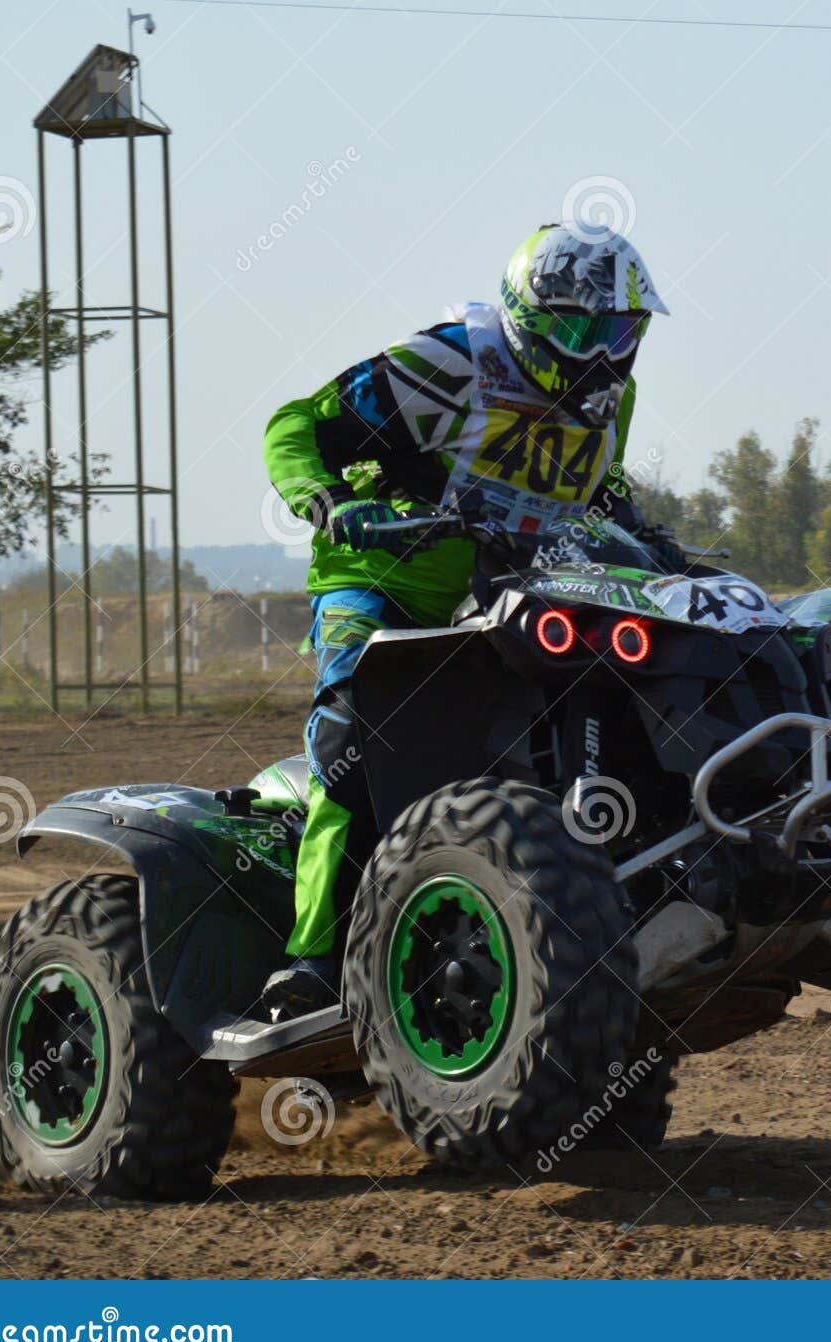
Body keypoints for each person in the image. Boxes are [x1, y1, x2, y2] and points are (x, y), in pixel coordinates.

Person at [259, 222, 673, 1016]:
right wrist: (331, 501)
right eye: (582, 328)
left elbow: (595, 491)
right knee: (350, 734)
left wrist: (645, 533)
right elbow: (298, 424)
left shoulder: (612, 402)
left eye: (622, 330)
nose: (603, 352)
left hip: (511, 584)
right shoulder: (449, 363)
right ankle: (308, 959)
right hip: (383, 580)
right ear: (528, 316)